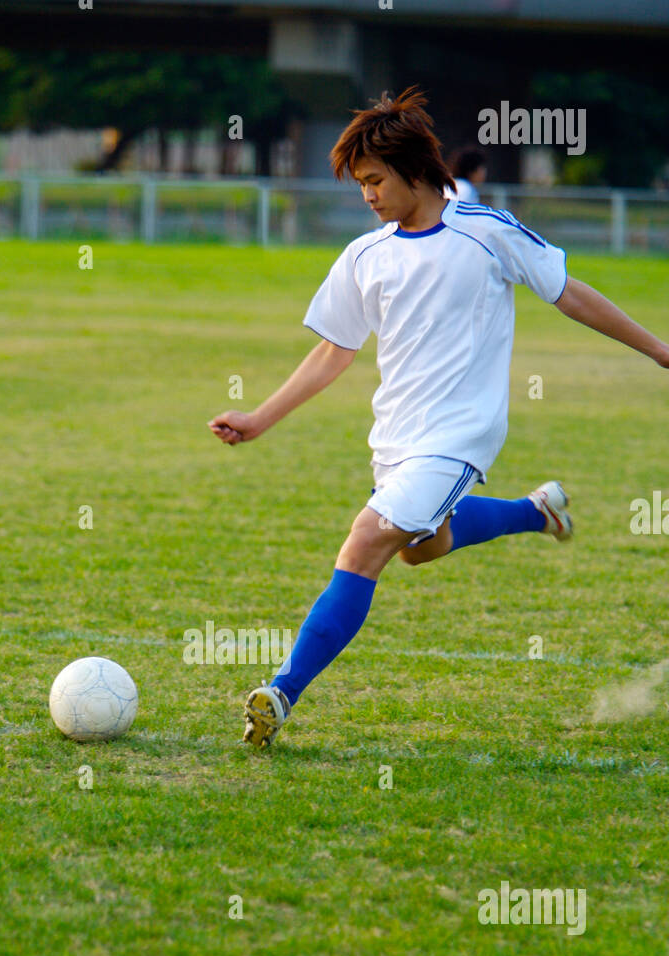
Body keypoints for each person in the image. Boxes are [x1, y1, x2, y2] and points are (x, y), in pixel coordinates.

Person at [208, 87, 669, 749]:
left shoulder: (486, 232)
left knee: (366, 542)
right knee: (423, 548)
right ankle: (537, 511)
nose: (367, 195)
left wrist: (657, 349)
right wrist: (259, 418)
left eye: (374, 180)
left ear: (415, 171)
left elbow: (569, 295)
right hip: (396, 440)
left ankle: (281, 692)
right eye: (359, 185)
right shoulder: (368, 257)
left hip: (461, 435)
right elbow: (334, 351)